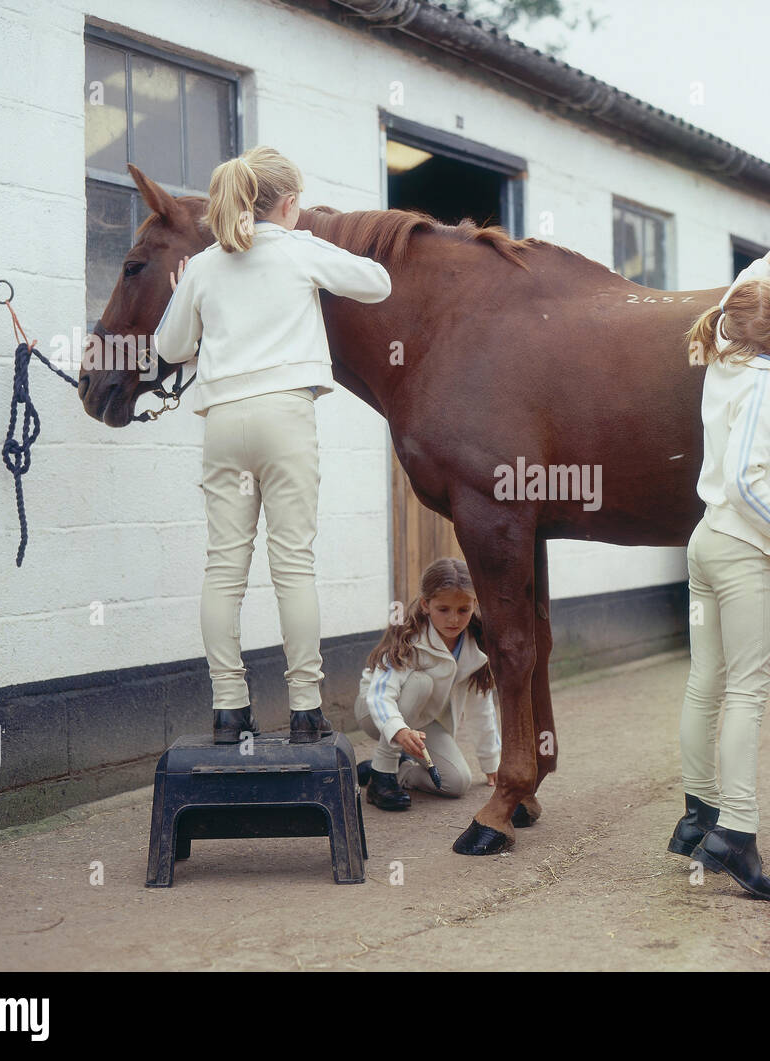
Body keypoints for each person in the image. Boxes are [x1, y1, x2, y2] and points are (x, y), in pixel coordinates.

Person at [151, 146, 393, 745]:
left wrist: (183, 291)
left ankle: (229, 709)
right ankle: (306, 709)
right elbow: (379, 283)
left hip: (225, 424)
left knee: (224, 568)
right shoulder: (299, 248)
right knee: (293, 565)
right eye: (297, 205)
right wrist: (311, 244)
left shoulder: (205, 265)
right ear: (287, 204)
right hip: (285, 417)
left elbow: (171, 347)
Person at [669, 242, 770, 900]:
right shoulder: (767, 381)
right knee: (746, 692)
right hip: (739, 551)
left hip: (705, 542)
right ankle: (735, 834)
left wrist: (766, 262)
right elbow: (743, 479)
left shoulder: (724, 352)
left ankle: (699, 816)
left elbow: (737, 298)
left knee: (707, 681)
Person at [353, 558, 501, 811]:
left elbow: (480, 705)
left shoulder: (476, 646)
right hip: (375, 710)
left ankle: (399, 771)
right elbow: (381, 695)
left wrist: (490, 761)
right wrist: (398, 729)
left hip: (422, 719)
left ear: (474, 605)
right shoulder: (409, 637)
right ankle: (382, 776)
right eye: (443, 609)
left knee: (457, 782)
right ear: (425, 604)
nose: (453, 619)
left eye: (463, 610)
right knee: (420, 682)